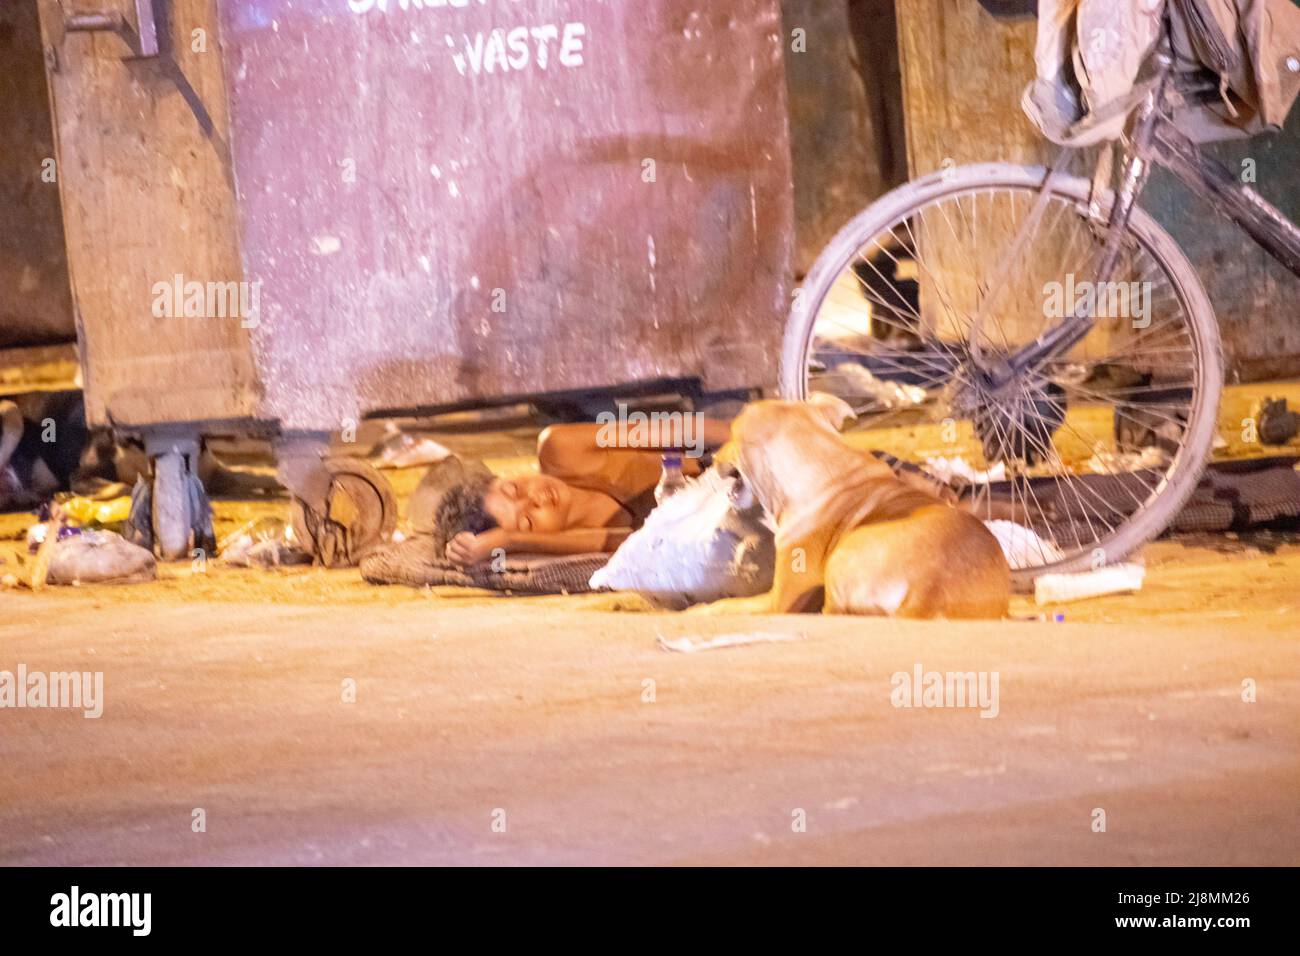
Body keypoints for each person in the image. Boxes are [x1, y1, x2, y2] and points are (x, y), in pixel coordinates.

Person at [424, 417, 733, 565]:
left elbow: (674, 428)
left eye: (515, 489)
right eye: (527, 520)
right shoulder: (582, 542)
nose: (535, 499)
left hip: (731, 455)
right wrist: (508, 540)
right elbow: (632, 545)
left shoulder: (562, 449)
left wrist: (744, 430)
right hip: (731, 514)